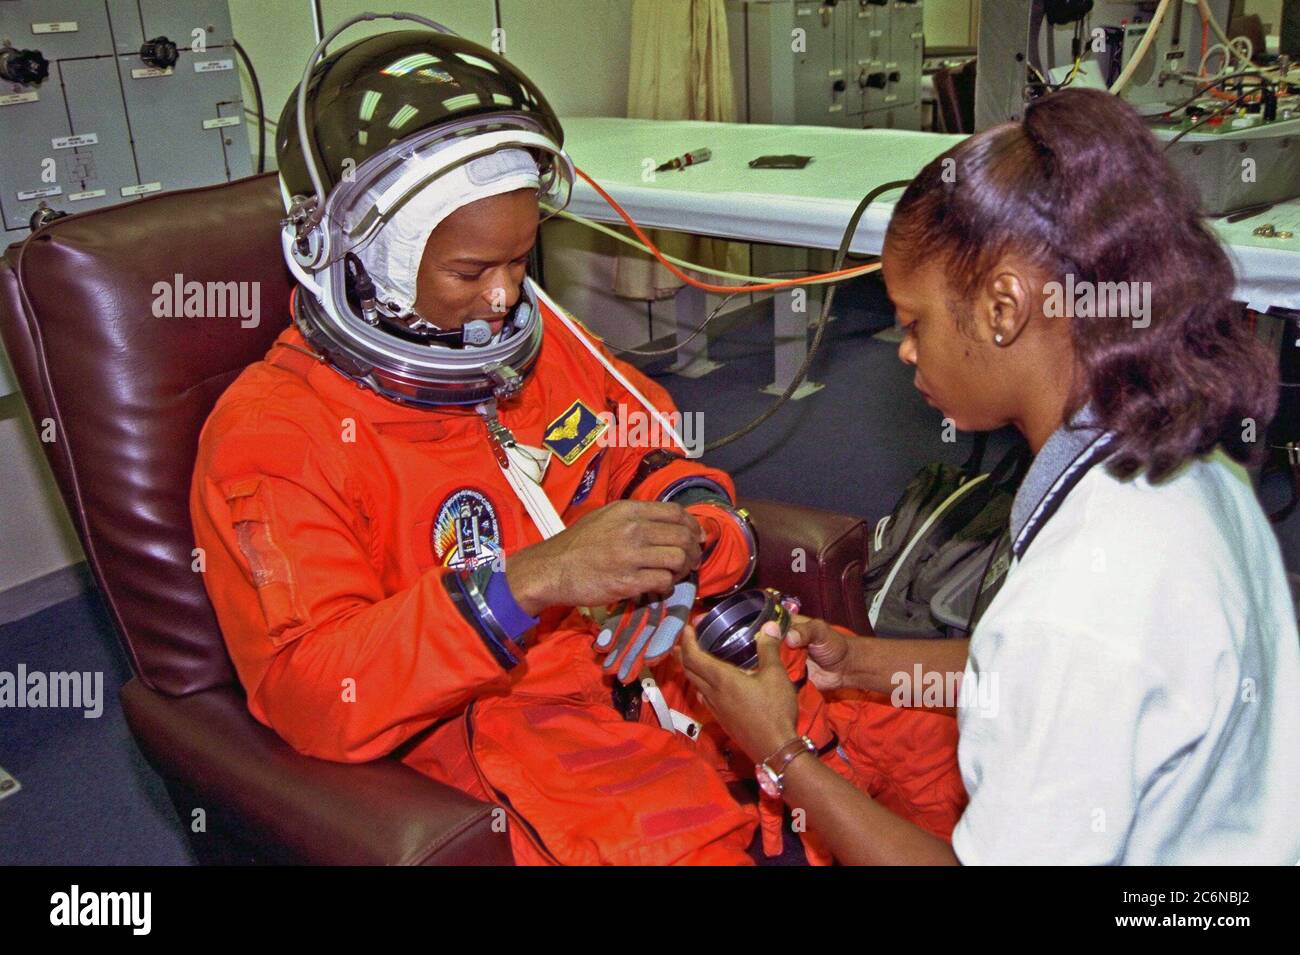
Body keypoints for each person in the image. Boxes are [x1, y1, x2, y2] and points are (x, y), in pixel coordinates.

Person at [190, 22, 763, 865]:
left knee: (914, 739)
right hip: (515, 740)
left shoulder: (542, 342)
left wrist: (692, 546)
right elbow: (315, 688)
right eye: (468, 271)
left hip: (660, 676)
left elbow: (654, 455)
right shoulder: (276, 436)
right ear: (356, 258)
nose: (503, 297)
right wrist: (530, 580)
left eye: (521, 258)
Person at [679, 87, 1300, 865]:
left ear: (1004, 305)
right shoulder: (1190, 461)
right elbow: (1047, 673)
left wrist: (781, 749)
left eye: (914, 323)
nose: (904, 351)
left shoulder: (1077, 600)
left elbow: (1058, 651)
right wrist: (867, 659)